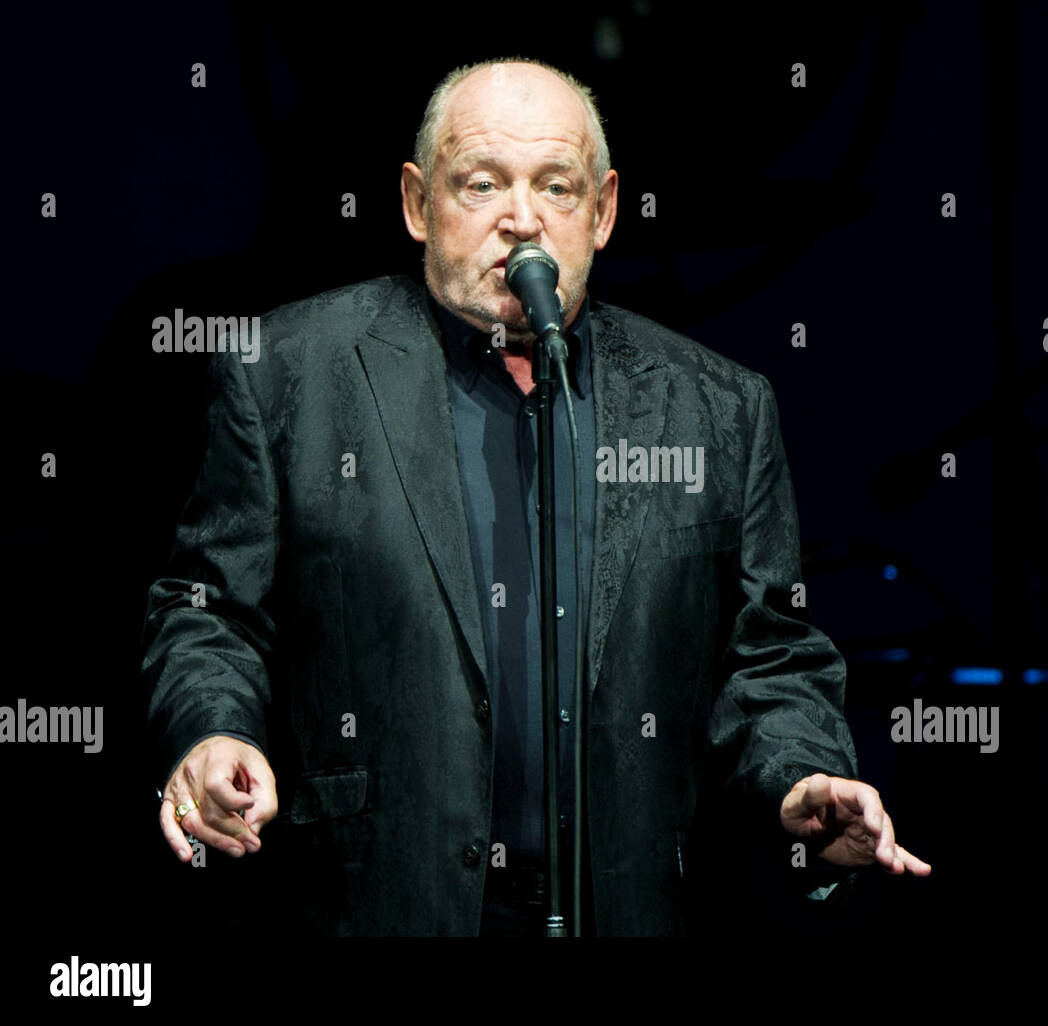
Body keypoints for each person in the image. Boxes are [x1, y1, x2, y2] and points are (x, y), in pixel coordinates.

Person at [141, 56, 930, 937]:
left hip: (633, 908)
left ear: (602, 212)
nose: (522, 222)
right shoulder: (287, 374)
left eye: (556, 188)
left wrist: (802, 774)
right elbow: (208, 609)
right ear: (414, 203)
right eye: (481, 184)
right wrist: (214, 732)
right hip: (378, 904)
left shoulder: (716, 407)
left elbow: (770, 653)